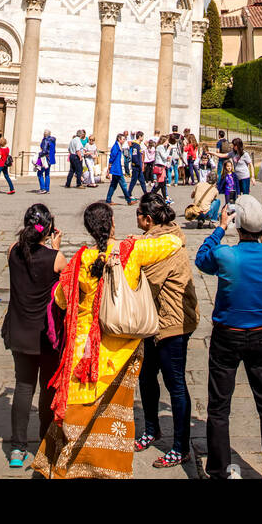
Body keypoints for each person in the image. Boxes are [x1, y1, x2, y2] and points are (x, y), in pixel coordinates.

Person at [33, 200, 182, 480]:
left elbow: (60, 299)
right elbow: (174, 243)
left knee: (78, 410)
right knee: (114, 416)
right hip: (121, 349)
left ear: (90, 229)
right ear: (112, 223)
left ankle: (70, 466)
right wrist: (138, 239)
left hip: (85, 351)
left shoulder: (80, 260)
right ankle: (105, 468)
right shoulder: (131, 251)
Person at [195, 194, 262, 480]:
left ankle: (218, 470)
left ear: (239, 226)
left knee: (219, 407)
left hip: (228, 334)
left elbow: (202, 259)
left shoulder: (226, 255)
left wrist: (220, 228)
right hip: (261, 334)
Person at [134, 193, 199, 468]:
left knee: (175, 385)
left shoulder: (163, 245)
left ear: (148, 219)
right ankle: (152, 428)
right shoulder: (158, 239)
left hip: (172, 321)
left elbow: (142, 279)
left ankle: (181, 447)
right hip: (153, 321)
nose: (136, 218)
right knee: (147, 377)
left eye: (138, 214)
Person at [2, 203, 66, 468]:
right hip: (46, 335)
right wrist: (55, 247)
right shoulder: (56, 258)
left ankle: (17, 449)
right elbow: (66, 290)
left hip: (19, 331)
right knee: (48, 389)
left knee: (23, 386)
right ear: (49, 228)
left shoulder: (12, 251)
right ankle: (45, 441)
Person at [106, 132, 134, 205]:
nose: (124, 140)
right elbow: (112, 157)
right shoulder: (116, 147)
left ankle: (108, 200)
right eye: (123, 139)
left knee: (113, 185)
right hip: (116, 168)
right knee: (123, 184)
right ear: (119, 139)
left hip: (118, 168)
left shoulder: (119, 146)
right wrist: (109, 165)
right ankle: (129, 200)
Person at [36, 129, 56, 193]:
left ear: (44, 134)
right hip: (50, 159)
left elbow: (44, 151)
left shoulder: (45, 140)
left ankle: (43, 188)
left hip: (44, 159)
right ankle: (47, 189)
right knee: (47, 174)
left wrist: (39, 154)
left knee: (39, 173)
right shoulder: (53, 140)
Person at [128, 131, 147, 196]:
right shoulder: (135, 145)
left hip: (139, 165)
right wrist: (137, 164)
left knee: (142, 180)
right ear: (139, 137)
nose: (143, 138)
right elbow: (134, 155)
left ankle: (145, 193)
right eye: (142, 136)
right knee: (134, 180)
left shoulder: (138, 145)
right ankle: (129, 193)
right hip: (136, 166)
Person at [153, 135, 170, 199]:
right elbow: (164, 156)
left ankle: (165, 197)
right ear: (164, 141)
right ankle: (152, 194)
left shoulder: (162, 147)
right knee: (161, 183)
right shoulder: (160, 147)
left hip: (162, 166)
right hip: (160, 166)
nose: (168, 142)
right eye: (167, 140)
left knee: (163, 182)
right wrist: (168, 150)